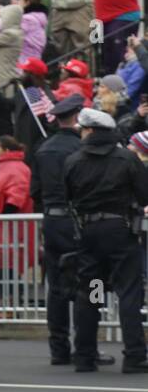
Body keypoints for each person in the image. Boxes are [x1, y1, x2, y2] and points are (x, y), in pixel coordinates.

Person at [65, 107, 148, 373]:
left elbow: (66, 195)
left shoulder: (74, 161)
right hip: (120, 233)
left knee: (91, 293)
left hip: (89, 234)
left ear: (89, 131)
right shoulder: (126, 159)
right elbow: (144, 194)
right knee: (128, 293)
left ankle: (85, 355)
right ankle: (134, 355)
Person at [33, 94, 105, 366]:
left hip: (52, 222)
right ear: (77, 118)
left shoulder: (43, 148)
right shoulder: (82, 150)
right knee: (91, 282)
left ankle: (58, 348)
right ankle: (88, 346)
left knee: (56, 287)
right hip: (78, 221)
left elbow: (35, 191)